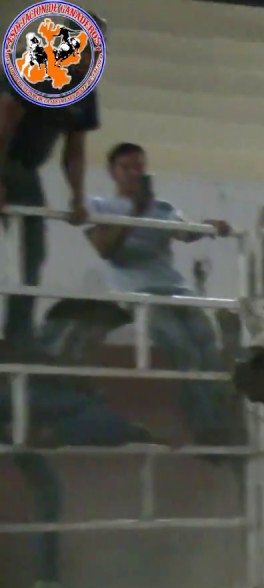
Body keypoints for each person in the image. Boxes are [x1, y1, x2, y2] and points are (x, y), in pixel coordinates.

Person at [2, 306, 163, 588]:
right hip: (23, 403)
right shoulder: (72, 333)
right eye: (106, 328)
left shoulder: (65, 335)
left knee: (48, 488)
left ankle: (46, 583)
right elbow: (51, 367)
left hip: (23, 405)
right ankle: (46, 583)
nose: (105, 334)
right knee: (104, 425)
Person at [79, 142, 240, 448]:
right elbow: (105, 249)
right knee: (183, 348)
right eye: (127, 167)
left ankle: (222, 422)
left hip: (175, 288)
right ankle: (205, 428)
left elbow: (185, 232)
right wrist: (136, 212)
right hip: (138, 292)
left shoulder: (162, 207)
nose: (135, 172)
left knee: (207, 342)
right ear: (113, 172)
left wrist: (209, 226)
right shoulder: (98, 206)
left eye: (140, 166)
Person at [0, 13, 103, 349]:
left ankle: (19, 334)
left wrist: (78, 198)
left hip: (25, 170)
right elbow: (4, 123)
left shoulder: (85, 91)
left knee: (34, 249)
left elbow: (74, 150)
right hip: (6, 162)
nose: (89, 58)